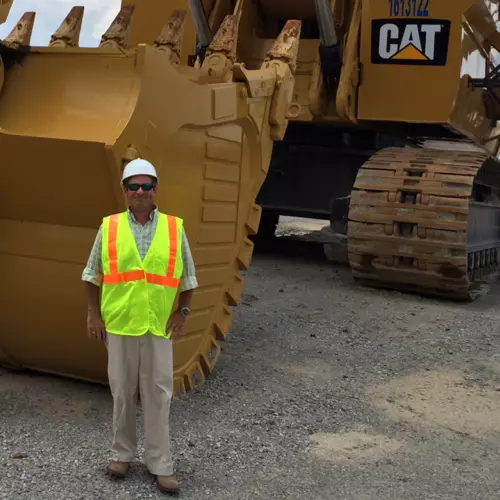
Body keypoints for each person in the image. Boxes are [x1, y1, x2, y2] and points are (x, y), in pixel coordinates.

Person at [81, 158, 198, 495]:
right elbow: (91, 275)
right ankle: (121, 455)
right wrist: (93, 314)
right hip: (120, 324)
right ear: (125, 191)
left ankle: (161, 464)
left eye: (147, 186)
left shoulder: (175, 228)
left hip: (158, 327)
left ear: (156, 189)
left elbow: (188, 278)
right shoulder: (110, 227)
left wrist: (183, 312)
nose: (141, 192)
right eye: (134, 186)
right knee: (121, 392)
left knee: (159, 395)